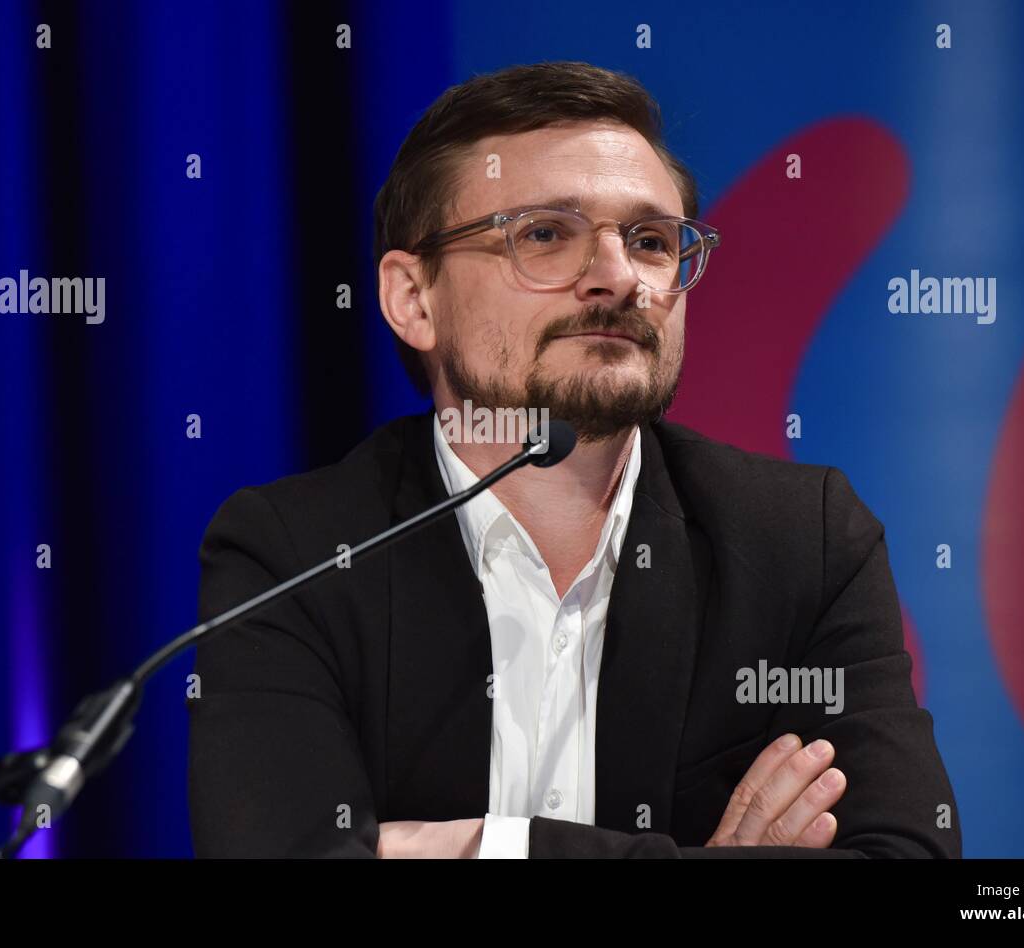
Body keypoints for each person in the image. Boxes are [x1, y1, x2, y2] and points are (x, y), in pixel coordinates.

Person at [187, 60, 961, 858]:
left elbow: (907, 854)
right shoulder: (295, 553)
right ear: (414, 300)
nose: (619, 278)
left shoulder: (803, 540)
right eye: (546, 234)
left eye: (652, 241)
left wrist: (490, 847)